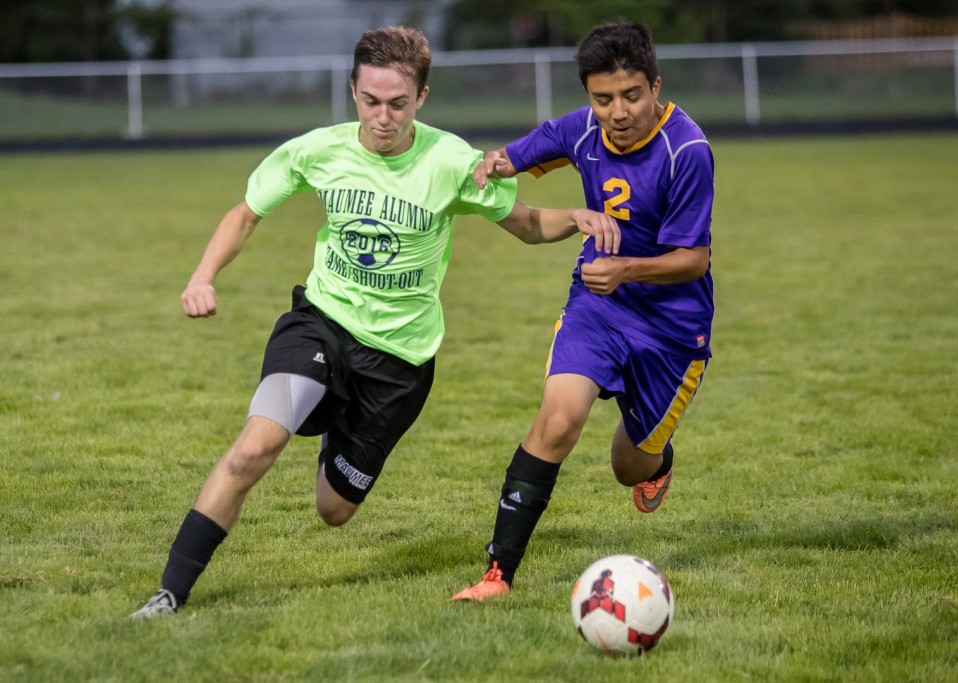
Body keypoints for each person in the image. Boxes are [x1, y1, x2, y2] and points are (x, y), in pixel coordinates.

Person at [131, 26, 619, 618]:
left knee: (334, 511)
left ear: (422, 98)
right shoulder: (318, 150)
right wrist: (201, 277)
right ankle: (169, 594)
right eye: (369, 102)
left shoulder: (451, 162)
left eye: (397, 104)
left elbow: (525, 222)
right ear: (352, 92)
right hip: (321, 325)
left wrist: (577, 217)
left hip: (398, 363)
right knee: (254, 448)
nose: (382, 117)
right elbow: (246, 212)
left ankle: (337, 425)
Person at [451, 19, 714, 601]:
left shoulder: (687, 150)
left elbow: (694, 259)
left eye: (631, 96)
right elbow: (508, 159)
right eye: (602, 99)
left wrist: (626, 268)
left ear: (655, 86)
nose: (618, 112)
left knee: (629, 467)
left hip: (672, 330)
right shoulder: (581, 131)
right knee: (558, 421)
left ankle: (657, 459)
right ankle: (498, 573)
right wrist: (488, 165)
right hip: (597, 307)